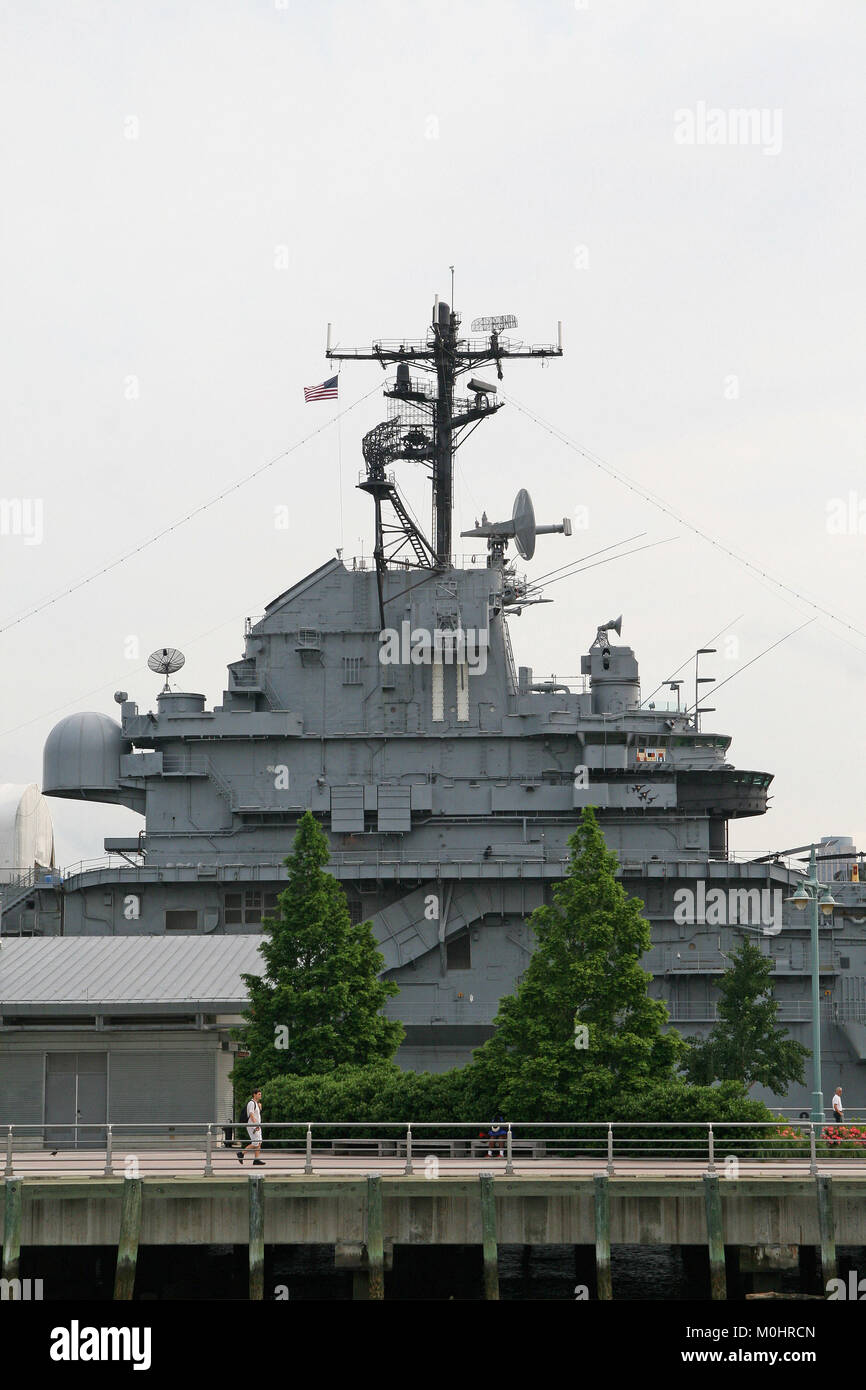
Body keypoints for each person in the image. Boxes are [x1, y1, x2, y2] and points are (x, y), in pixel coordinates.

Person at [238, 1087, 265, 1166]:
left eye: (260, 1094)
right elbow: (251, 1114)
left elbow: (256, 1115)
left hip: (257, 1126)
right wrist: (255, 1125)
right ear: (254, 1095)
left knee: (259, 1142)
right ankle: (241, 1153)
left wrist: (260, 1108)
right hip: (252, 1126)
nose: (260, 1095)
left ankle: (256, 1160)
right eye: (259, 1094)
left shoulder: (256, 1104)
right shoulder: (251, 1103)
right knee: (256, 1142)